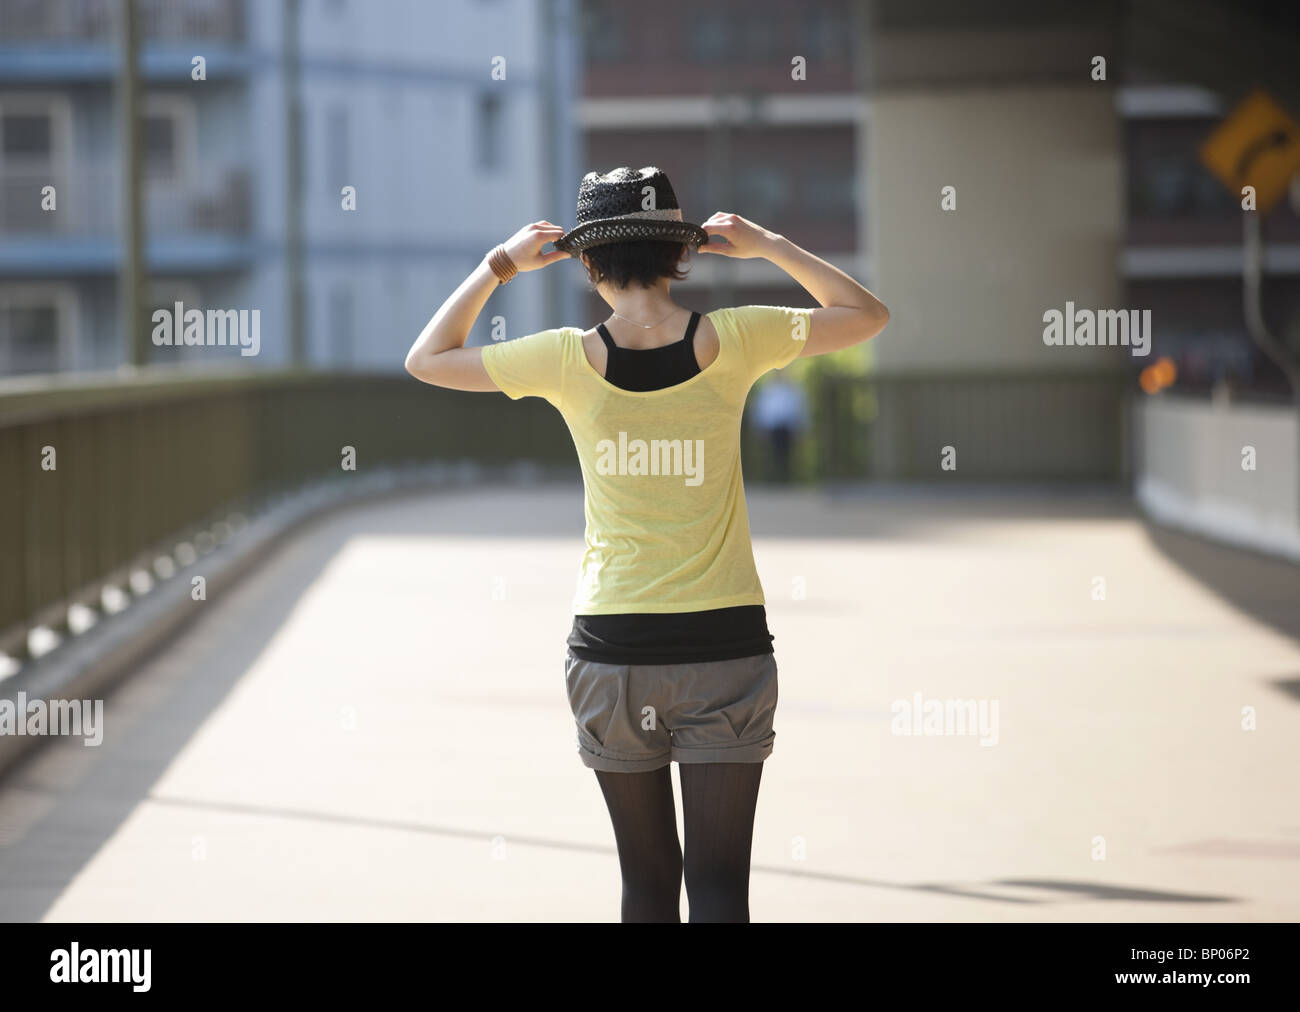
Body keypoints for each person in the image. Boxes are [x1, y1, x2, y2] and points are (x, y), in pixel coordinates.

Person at [404, 166, 889, 922]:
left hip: (613, 653)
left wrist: (499, 264)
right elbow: (865, 314)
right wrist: (766, 245)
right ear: (682, 255)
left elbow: (426, 361)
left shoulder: (562, 358)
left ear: (587, 262)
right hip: (725, 647)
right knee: (722, 888)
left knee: (646, 887)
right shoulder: (738, 338)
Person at [751, 373, 810, 482]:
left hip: (786, 428)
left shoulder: (793, 390)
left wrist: (799, 427)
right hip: (771, 428)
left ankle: (786, 478)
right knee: (771, 454)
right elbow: (761, 410)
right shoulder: (767, 390)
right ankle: (773, 477)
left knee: (786, 454)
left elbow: (798, 409)